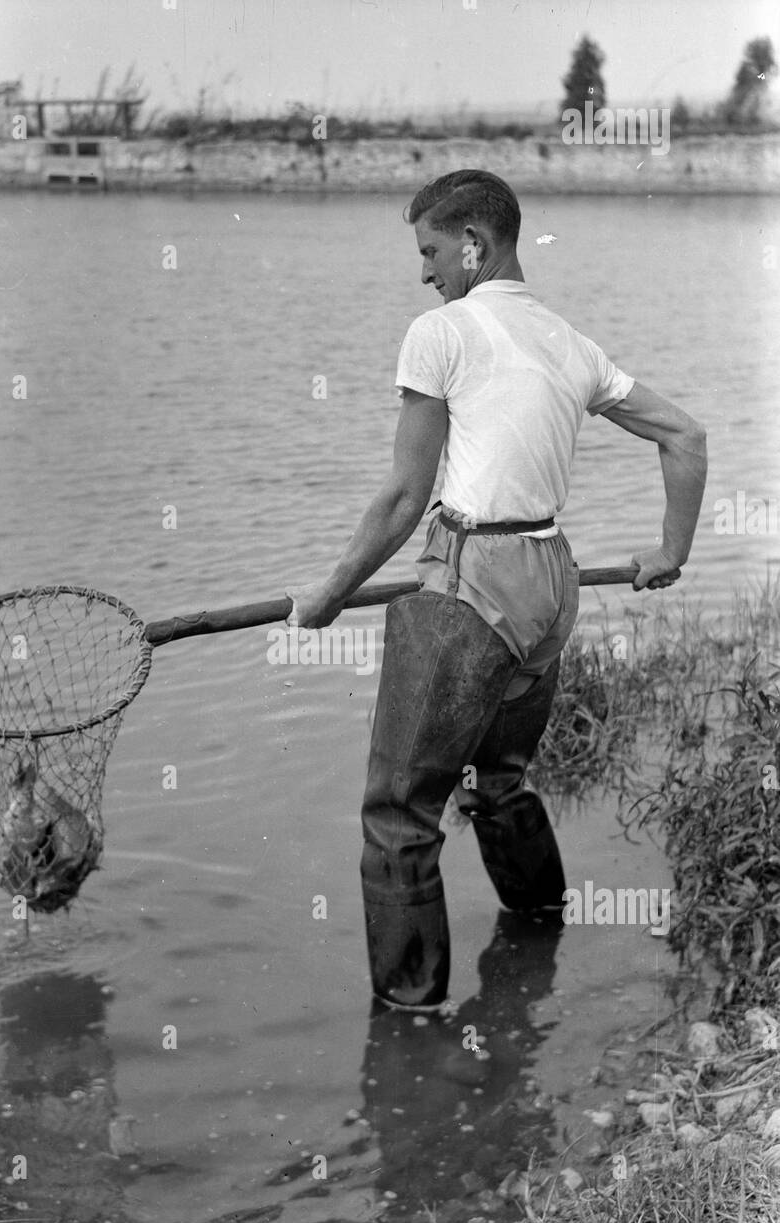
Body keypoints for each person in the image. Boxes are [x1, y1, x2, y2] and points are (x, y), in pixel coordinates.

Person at [286, 169, 707, 1013]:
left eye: (432, 251)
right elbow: (684, 436)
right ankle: (537, 937)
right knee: (500, 777)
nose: (425, 272)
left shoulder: (440, 331)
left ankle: (407, 1029)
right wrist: (670, 551)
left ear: (473, 246)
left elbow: (406, 498)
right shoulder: (568, 341)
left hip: (475, 585)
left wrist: (329, 592)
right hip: (550, 583)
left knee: (399, 814)